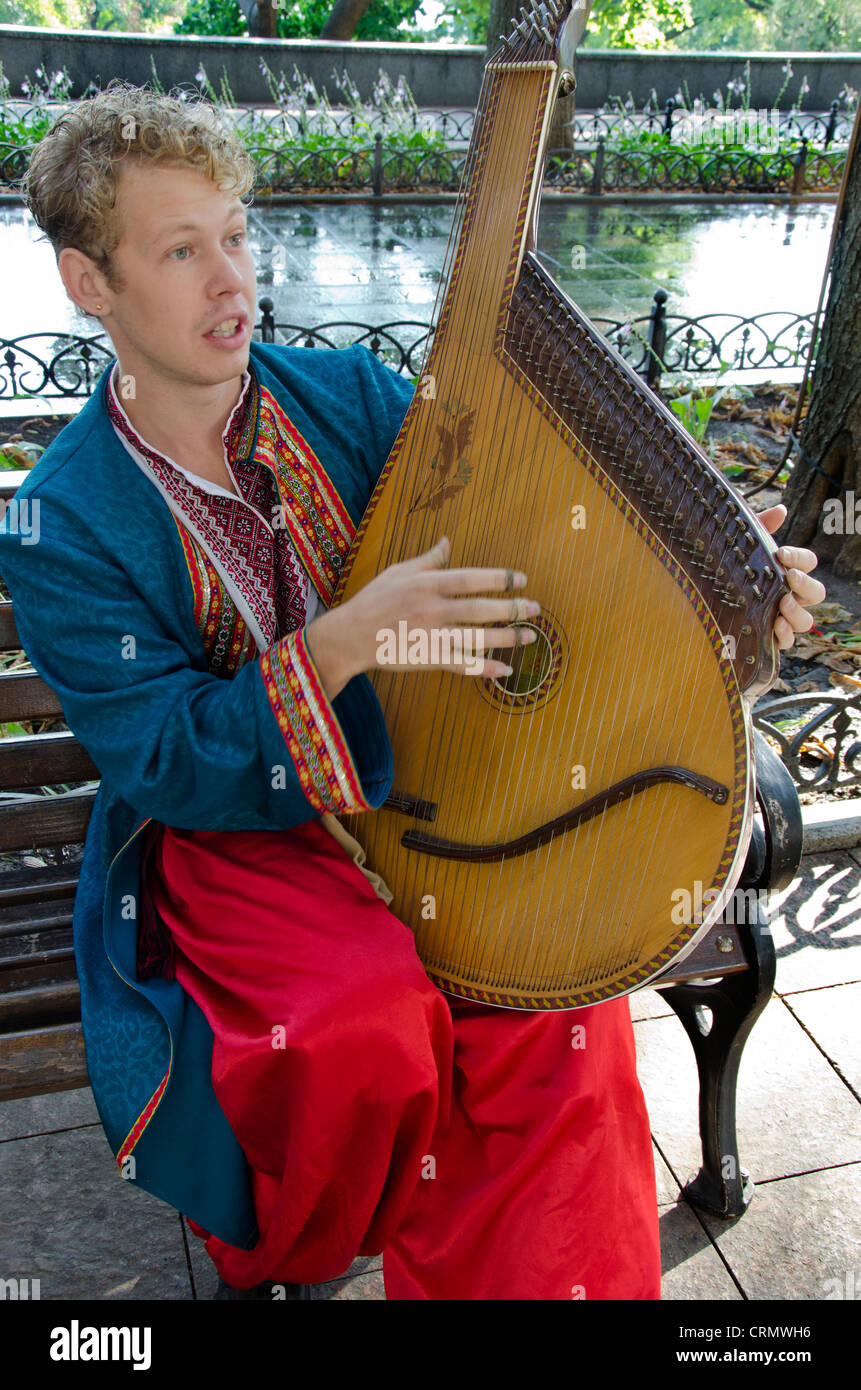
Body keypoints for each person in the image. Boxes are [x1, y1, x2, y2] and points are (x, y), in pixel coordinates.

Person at [0, 83, 824, 1301]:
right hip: (241, 837)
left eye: (234, 233)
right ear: (89, 283)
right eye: (181, 251)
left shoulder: (350, 397)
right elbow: (161, 759)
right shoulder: (60, 519)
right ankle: (309, 1230)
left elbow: (539, 537)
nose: (231, 279)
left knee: (553, 1006)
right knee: (363, 1016)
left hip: (439, 781)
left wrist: (712, 586)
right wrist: (337, 648)